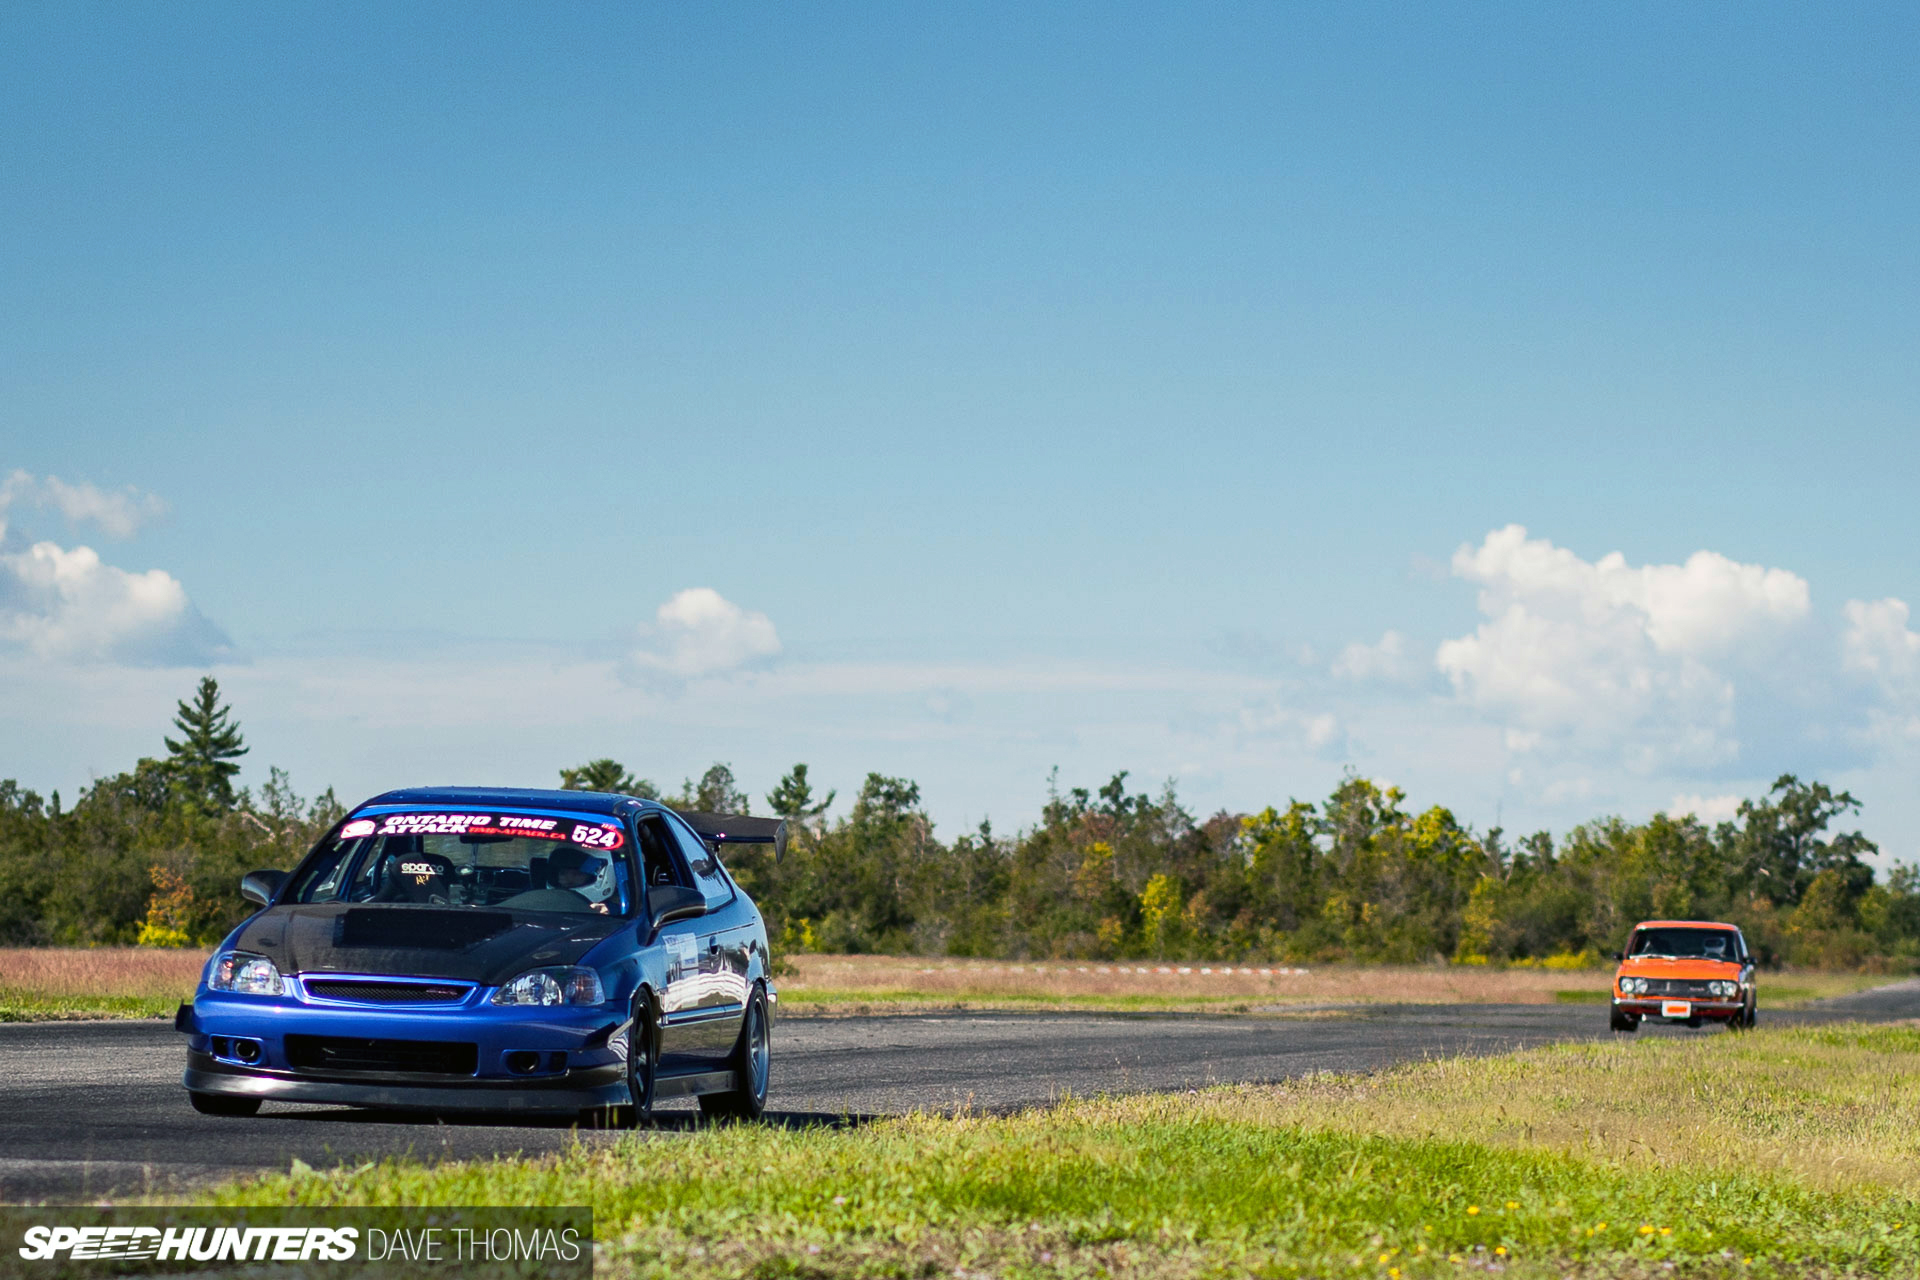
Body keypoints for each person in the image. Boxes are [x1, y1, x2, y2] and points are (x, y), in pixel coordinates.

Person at [550, 846, 612, 914]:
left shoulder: (619, 912)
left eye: (577, 874)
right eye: (563, 873)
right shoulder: (547, 901)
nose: (569, 878)